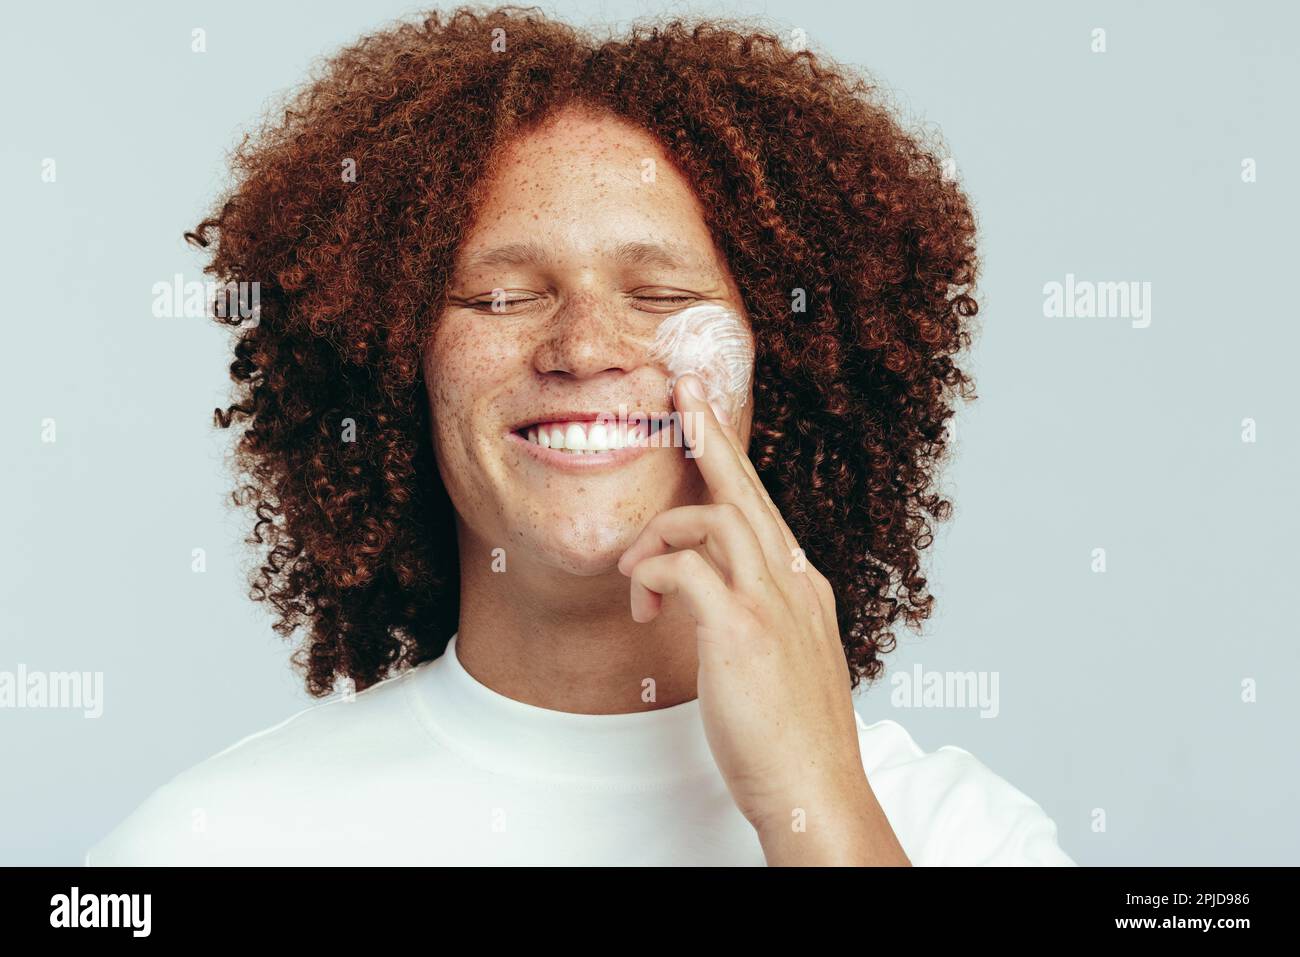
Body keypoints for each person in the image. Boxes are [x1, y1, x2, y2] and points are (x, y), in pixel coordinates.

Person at [87, 6, 1074, 866]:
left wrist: (813, 810)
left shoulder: (957, 834)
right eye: (503, 296)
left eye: (661, 295)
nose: (584, 347)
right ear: (395, 364)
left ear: (794, 369)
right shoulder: (212, 843)